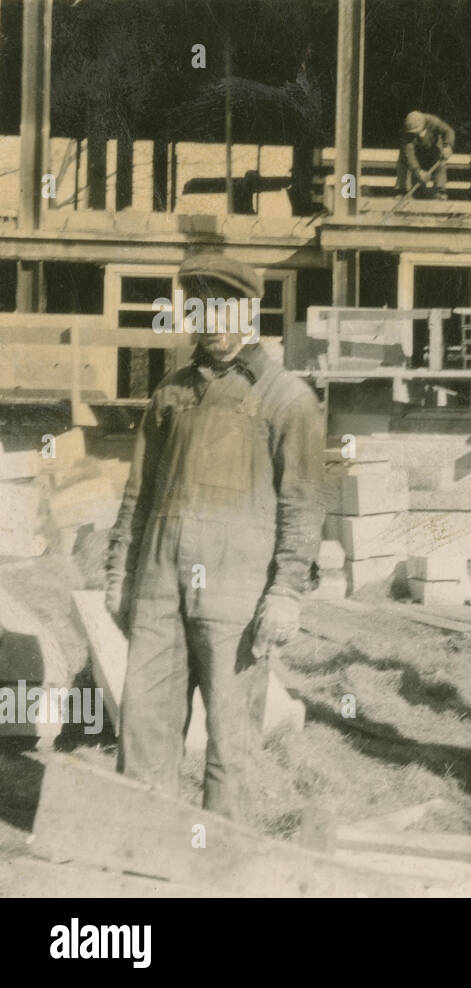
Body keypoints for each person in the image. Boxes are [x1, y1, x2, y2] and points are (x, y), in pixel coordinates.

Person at [105, 252, 325, 822]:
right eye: (201, 308)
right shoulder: (170, 395)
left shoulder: (287, 398)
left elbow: (304, 505)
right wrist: (118, 575)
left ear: (251, 311)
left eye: (226, 308)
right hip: (157, 591)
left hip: (238, 599)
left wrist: (286, 592)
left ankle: (222, 863)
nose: (213, 323)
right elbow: (137, 496)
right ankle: (144, 853)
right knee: (145, 730)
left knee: (231, 741)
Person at [397, 110, 456, 200]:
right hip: (416, 151)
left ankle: (440, 191)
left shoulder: (433, 121)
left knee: (440, 164)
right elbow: (409, 154)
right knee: (403, 160)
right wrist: (418, 171)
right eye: (412, 132)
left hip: (433, 148)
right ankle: (402, 191)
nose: (414, 134)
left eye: (416, 130)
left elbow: (448, 131)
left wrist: (447, 146)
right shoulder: (407, 133)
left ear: (423, 124)